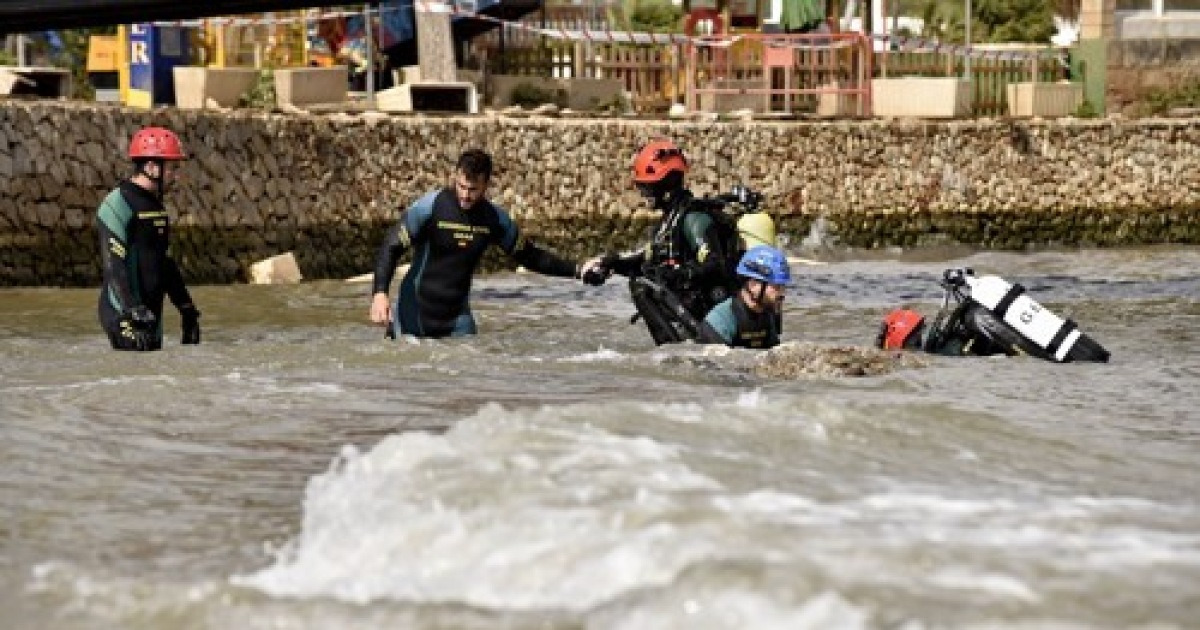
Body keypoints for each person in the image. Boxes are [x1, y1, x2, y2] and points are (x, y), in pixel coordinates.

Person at [369, 149, 606, 338]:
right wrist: (380, 293)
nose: (465, 196)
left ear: (485, 186)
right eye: (461, 186)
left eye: (473, 190)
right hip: (413, 314)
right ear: (455, 176)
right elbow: (391, 246)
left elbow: (530, 256)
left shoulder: (494, 220)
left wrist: (577, 270)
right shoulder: (430, 208)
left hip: (456, 321)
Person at [585, 139, 743, 344]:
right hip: (688, 312)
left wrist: (679, 274)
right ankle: (670, 351)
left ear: (665, 184)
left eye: (647, 188)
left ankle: (672, 351)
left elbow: (714, 264)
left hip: (709, 315)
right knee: (642, 283)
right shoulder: (668, 222)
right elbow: (647, 264)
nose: (644, 195)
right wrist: (613, 265)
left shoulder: (693, 219)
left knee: (641, 288)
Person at [96, 127, 201, 351]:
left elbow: (165, 264)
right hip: (123, 315)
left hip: (152, 315)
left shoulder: (156, 207)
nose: (176, 174)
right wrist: (132, 310)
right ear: (152, 166)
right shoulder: (116, 204)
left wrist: (187, 309)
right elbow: (113, 265)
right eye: (172, 167)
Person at [699, 245, 791, 349]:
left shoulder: (767, 315)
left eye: (783, 287)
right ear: (753, 285)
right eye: (777, 286)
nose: (782, 294)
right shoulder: (720, 322)